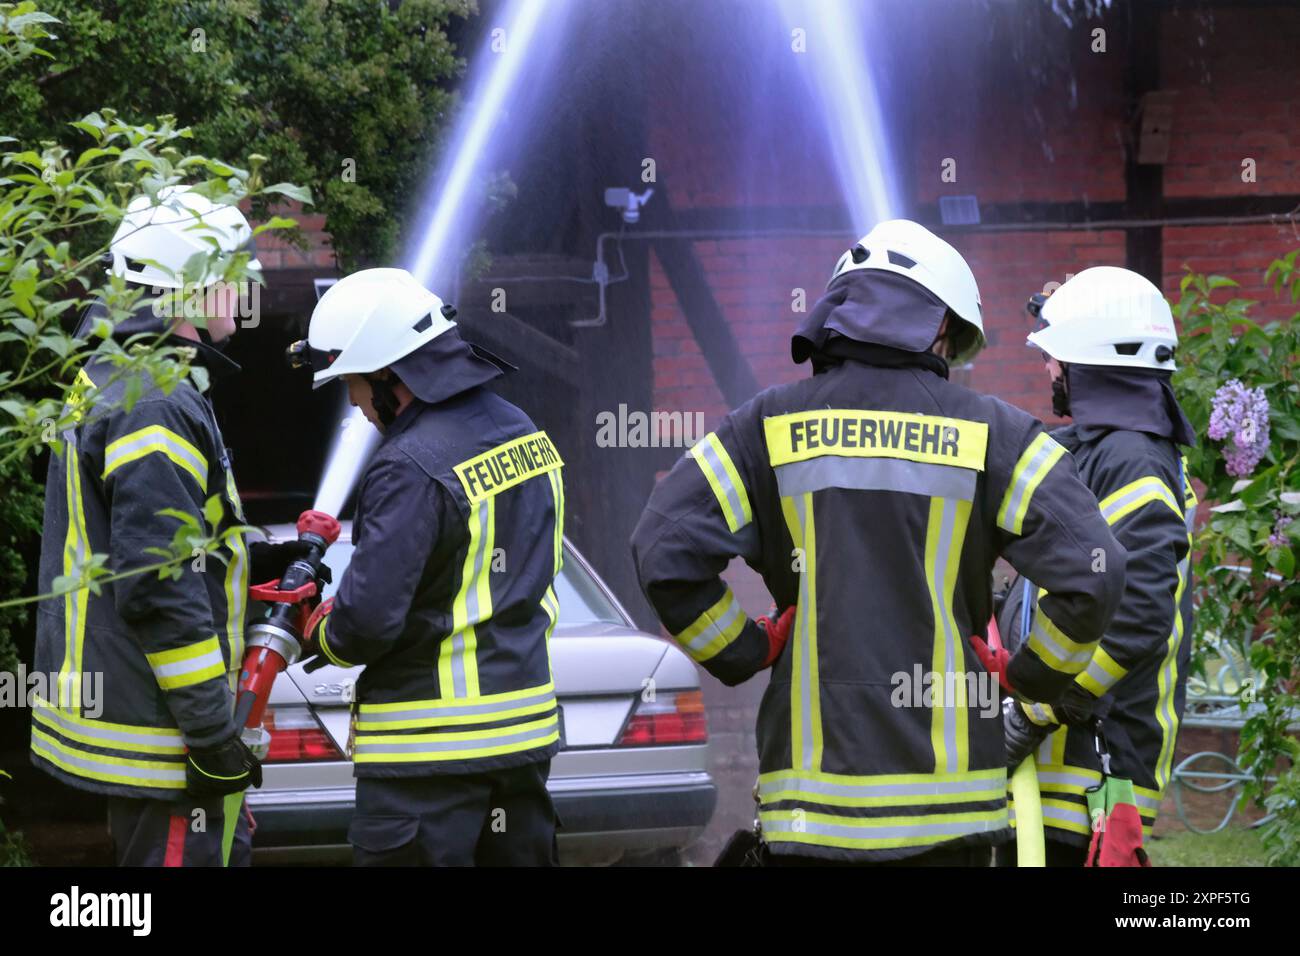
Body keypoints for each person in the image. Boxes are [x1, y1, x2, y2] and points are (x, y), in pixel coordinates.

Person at [631, 219, 1127, 865]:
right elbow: (1097, 571)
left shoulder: (763, 426)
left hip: (809, 812)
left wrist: (744, 648)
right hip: (950, 813)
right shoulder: (997, 434)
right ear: (942, 328)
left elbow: (662, 554)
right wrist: (1032, 675)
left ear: (839, 318)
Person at [31, 185, 278, 866]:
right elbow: (159, 588)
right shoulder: (156, 403)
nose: (244, 287)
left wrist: (259, 565)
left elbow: (163, 549)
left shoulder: (127, 380)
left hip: (146, 724)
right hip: (164, 740)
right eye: (231, 274)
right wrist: (211, 736)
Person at [293, 268, 565, 866]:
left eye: (354, 384)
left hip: (427, 761)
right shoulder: (526, 434)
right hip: (523, 746)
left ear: (391, 376)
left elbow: (366, 622)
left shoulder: (407, 465)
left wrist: (318, 630)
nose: (356, 404)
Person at [995, 266, 1197, 866]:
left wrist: (1033, 713)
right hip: (1072, 771)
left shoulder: (1132, 461)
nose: (1050, 369)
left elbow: (1134, 615)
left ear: (1090, 363)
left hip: (1094, 771)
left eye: (1057, 356)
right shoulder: (1110, 450)